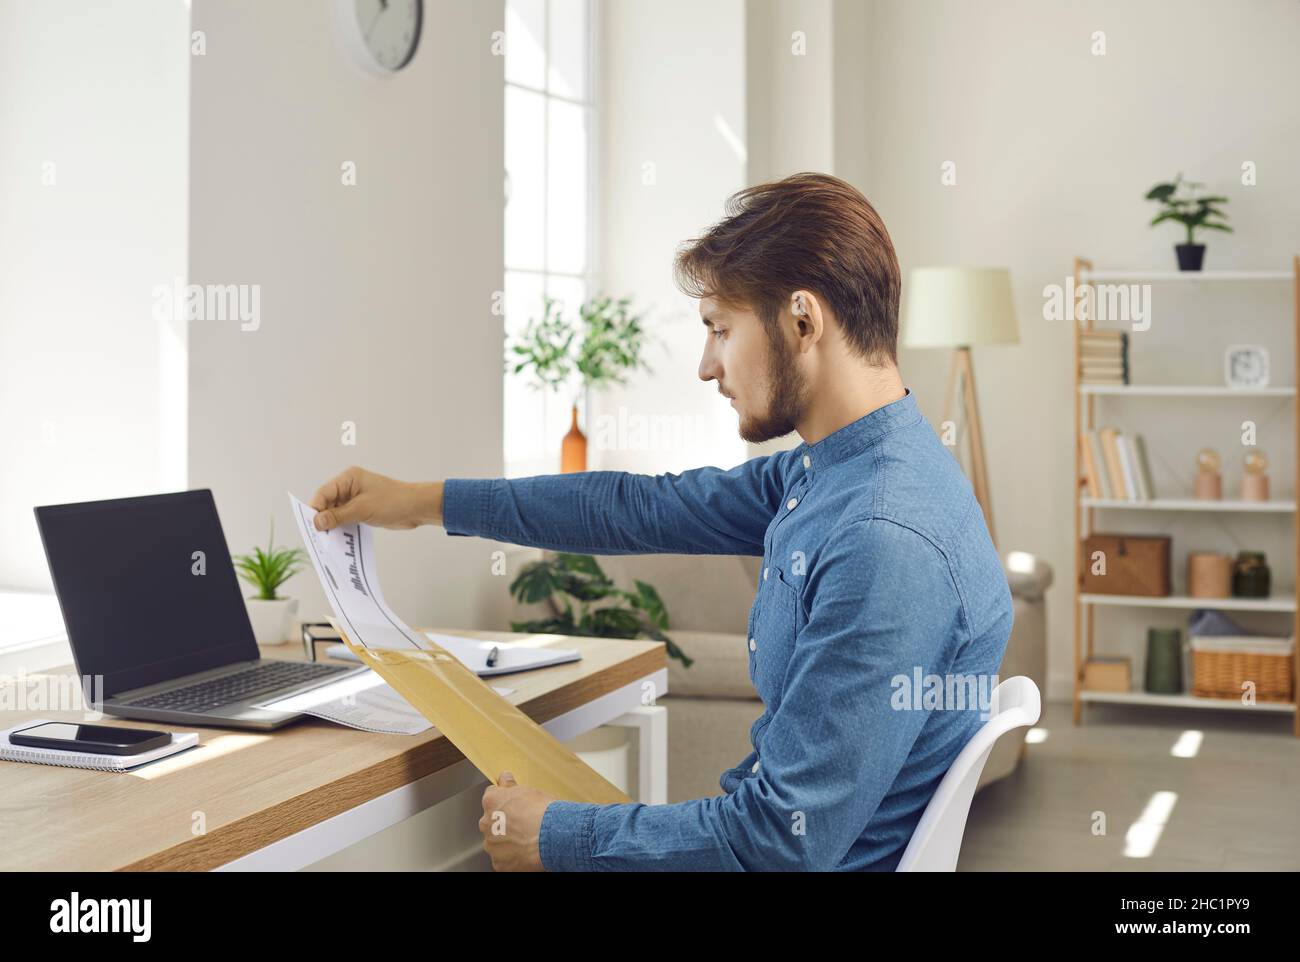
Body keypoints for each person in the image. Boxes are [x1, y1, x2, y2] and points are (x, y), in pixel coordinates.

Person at [310, 172, 1013, 871]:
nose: (708, 366)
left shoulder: (883, 539)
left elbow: (779, 845)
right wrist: (420, 503)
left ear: (803, 320)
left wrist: (557, 835)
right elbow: (641, 507)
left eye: (720, 330)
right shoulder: (845, 469)